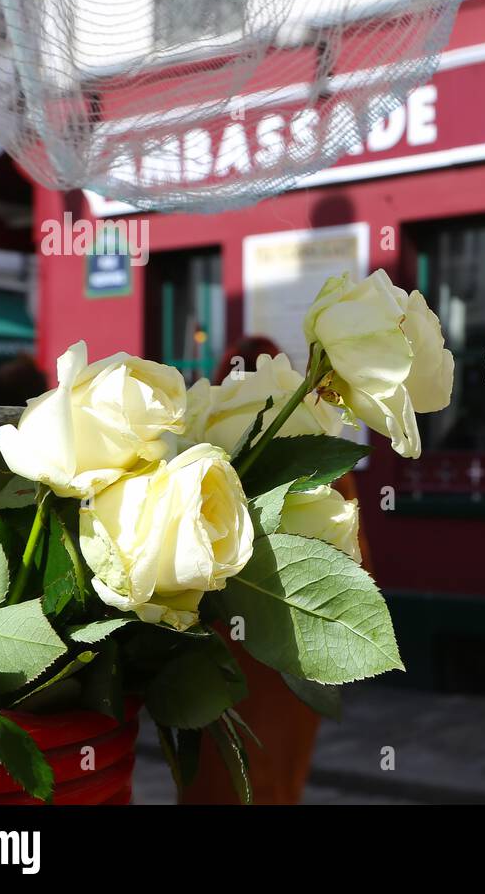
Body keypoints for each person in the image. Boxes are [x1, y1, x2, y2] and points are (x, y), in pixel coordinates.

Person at [181, 335, 369, 804]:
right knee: (275, 774)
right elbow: (356, 560)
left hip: (219, 650)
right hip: (290, 645)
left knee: (218, 773)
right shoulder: (315, 460)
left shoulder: (202, 465)